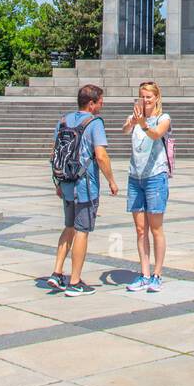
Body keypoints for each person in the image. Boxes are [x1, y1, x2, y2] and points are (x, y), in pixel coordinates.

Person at [48, 84, 118, 297]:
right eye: (100, 102)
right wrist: (112, 181)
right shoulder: (94, 123)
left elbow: (55, 155)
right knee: (81, 231)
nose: (102, 105)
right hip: (85, 186)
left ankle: (57, 272)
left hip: (66, 183)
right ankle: (75, 281)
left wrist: (57, 183)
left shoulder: (63, 121)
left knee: (68, 227)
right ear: (91, 103)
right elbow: (101, 156)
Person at [123, 81, 172, 293]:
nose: (145, 100)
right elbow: (124, 130)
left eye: (149, 97)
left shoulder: (164, 118)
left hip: (155, 177)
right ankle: (144, 273)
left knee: (156, 228)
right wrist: (132, 122)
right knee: (140, 229)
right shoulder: (136, 117)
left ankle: (157, 275)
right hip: (136, 177)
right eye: (142, 96)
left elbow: (155, 134)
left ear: (157, 98)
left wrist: (142, 123)